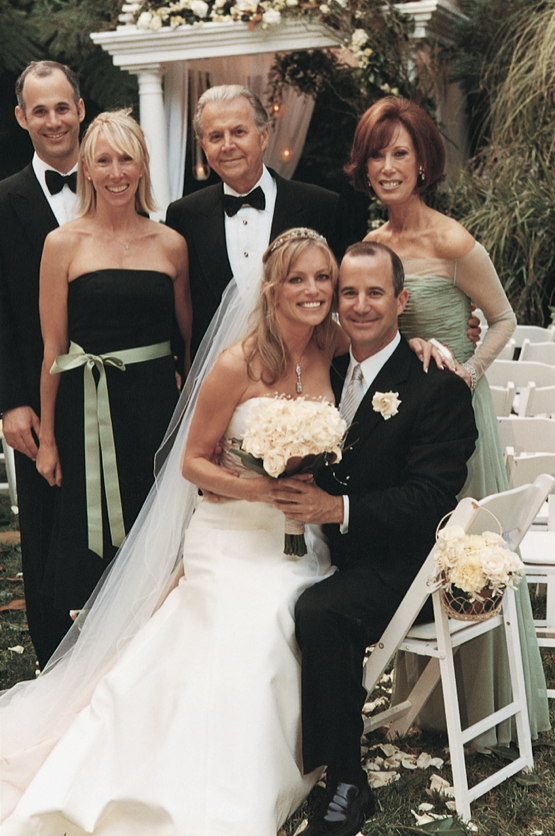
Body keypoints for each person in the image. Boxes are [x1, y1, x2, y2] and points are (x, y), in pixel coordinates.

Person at [0, 229, 350, 836]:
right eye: (297, 279)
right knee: (256, 628)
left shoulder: (331, 347)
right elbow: (192, 463)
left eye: (323, 278)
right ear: (272, 287)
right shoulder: (239, 361)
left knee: (297, 612)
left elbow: (392, 336)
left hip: (299, 536)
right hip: (232, 532)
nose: (313, 291)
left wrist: (432, 345)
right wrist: (260, 490)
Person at [346, 97, 550, 750]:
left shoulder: (452, 240)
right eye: (376, 153)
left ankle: (484, 709)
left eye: (398, 152)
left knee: (471, 558)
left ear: (424, 162)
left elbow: (502, 319)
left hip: (457, 425)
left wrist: (464, 373)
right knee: (420, 552)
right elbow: (367, 333)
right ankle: (428, 710)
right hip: (398, 431)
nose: (386, 165)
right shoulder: (371, 248)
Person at [270, 241, 478, 836]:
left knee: (321, 611)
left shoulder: (436, 384)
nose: (360, 306)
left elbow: (430, 499)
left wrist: (338, 508)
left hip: (398, 560)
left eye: (375, 293)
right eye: (349, 293)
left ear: (402, 300)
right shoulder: (324, 366)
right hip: (320, 542)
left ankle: (344, 780)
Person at [35, 110, 191, 621]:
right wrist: (49, 442)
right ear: (87, 168)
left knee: (156, 532)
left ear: (143, 166)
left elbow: (187, 343)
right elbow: (53, 350)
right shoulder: (62, 244)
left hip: (154, 411)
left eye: (126, 159)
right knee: (88, 538)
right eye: (104, 160)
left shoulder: (171, 244)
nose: (116, 172)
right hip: (86, 413)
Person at [0, 61, 86, 669]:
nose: (53, 120)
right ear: (21, 118)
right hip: (35, 397)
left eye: (62, 107)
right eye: (40, 110)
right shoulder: (3, 202)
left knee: (118, 526)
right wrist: (10, 401)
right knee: (46, 533)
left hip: (118, 390)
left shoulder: (118, 185)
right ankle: (54, 665)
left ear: (81, 108)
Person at [166, 84, 352, 356]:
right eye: (216, 136)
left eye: (238, 132)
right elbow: (180, 313)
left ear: (263, 136)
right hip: (218, 383)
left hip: (307, 374)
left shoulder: (323, 207)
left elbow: (345, 300)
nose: (228, 145)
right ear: (204, 147)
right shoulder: (184, 216)